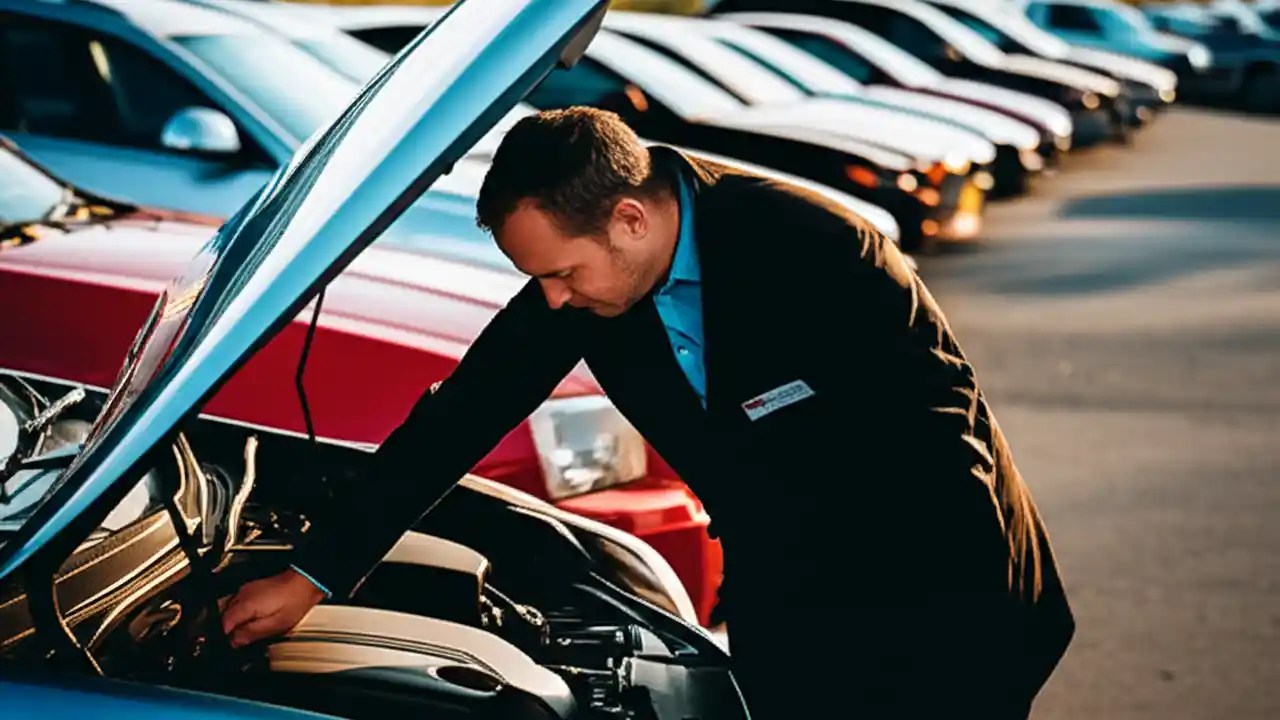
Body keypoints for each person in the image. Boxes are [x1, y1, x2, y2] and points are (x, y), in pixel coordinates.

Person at [221, 107, 1074, 718]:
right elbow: (461, 417)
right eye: (537, 280)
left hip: (950, 599)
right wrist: (313, 575)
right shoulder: (587, 285)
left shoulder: (820, 252)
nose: (551, 302)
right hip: (789, 597)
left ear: (629, 218)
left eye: (561, 274)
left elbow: (943, 458)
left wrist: (944, 676)